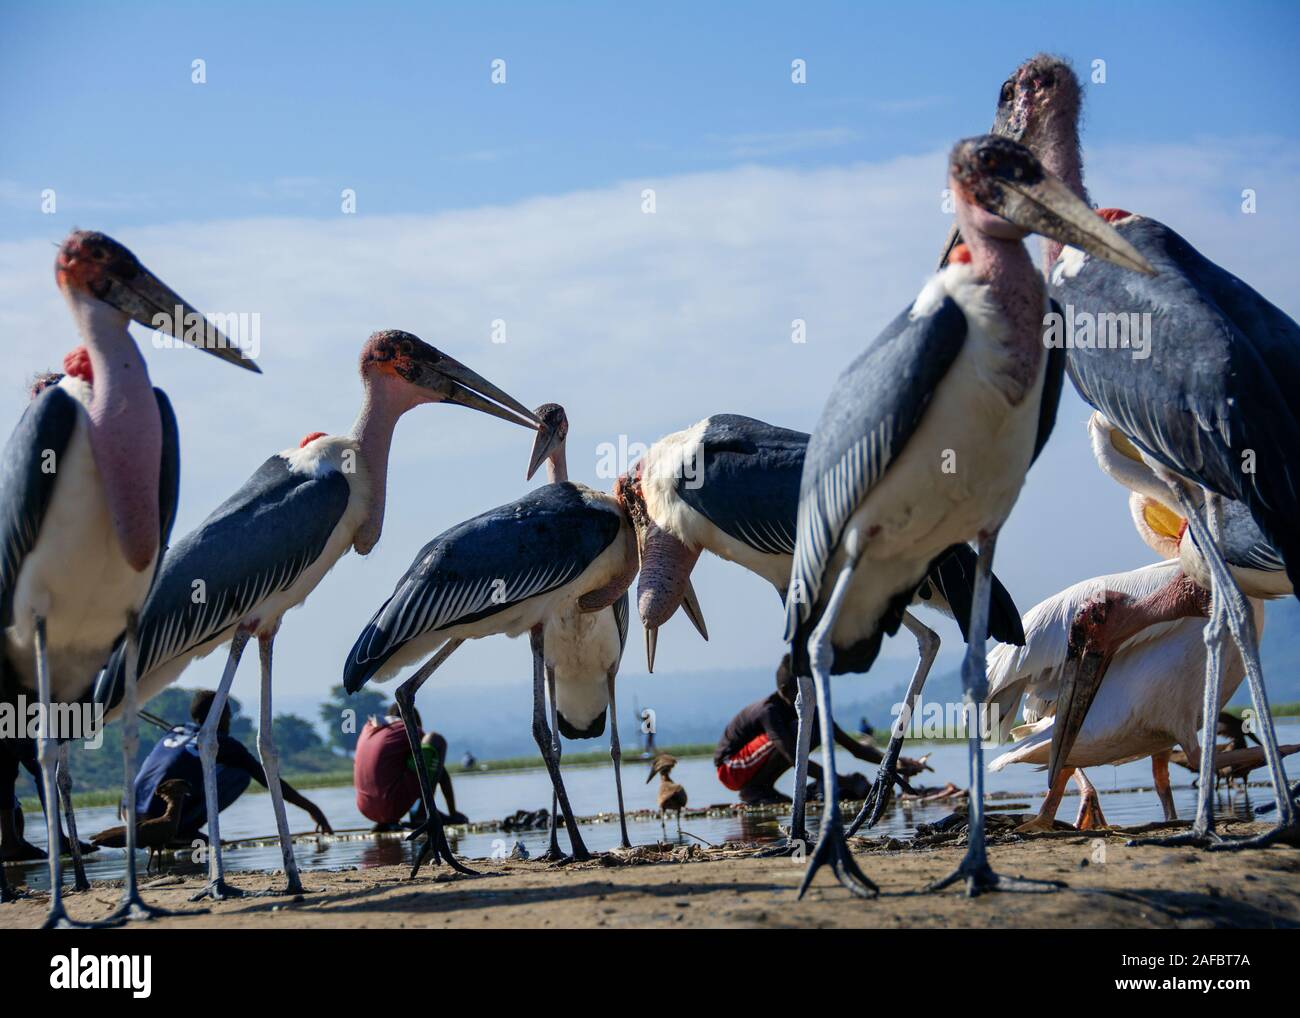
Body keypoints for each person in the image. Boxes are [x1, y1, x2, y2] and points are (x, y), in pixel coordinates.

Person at [715, 656, 928, 805]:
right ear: (784, 692)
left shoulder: (811, 709)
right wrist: (844, 781)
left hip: (756, 759)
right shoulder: (769, 712)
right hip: (730, 768)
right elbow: (793, 757)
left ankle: (763, 788)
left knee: (816, 726)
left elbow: (854, 748)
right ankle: (755, 791)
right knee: (794, 736)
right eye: (802, 691)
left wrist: (896, 763)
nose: (810, 696)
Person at [132, 690, 332, 841]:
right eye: (227, 716)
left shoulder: (178, 730)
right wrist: (312, 809)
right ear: (220, 716)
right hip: (161, 818)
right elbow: (268, 779)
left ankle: (176, 828)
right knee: (239, 775)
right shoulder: (222, 743)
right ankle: (182, 830)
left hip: (132, 812)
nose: (228, 723)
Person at [353, 705, 466, 832]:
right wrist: (453, 813)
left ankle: (386, 821)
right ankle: (424, 812)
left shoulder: (370, 729)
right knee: (435, 740)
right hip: (391, 806)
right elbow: (441, 772)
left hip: (366, 809)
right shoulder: (408, 729)